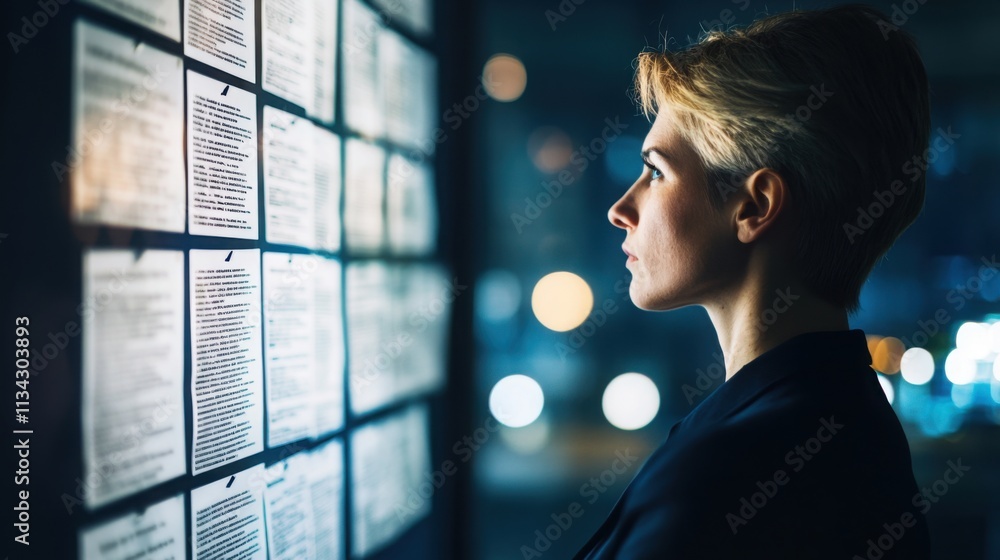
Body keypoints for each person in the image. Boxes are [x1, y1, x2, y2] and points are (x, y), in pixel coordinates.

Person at [575, 4, 932, 559]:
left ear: (755, 206)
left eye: (655, 172)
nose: (621, 209)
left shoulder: (730, 472)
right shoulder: (851, 428)